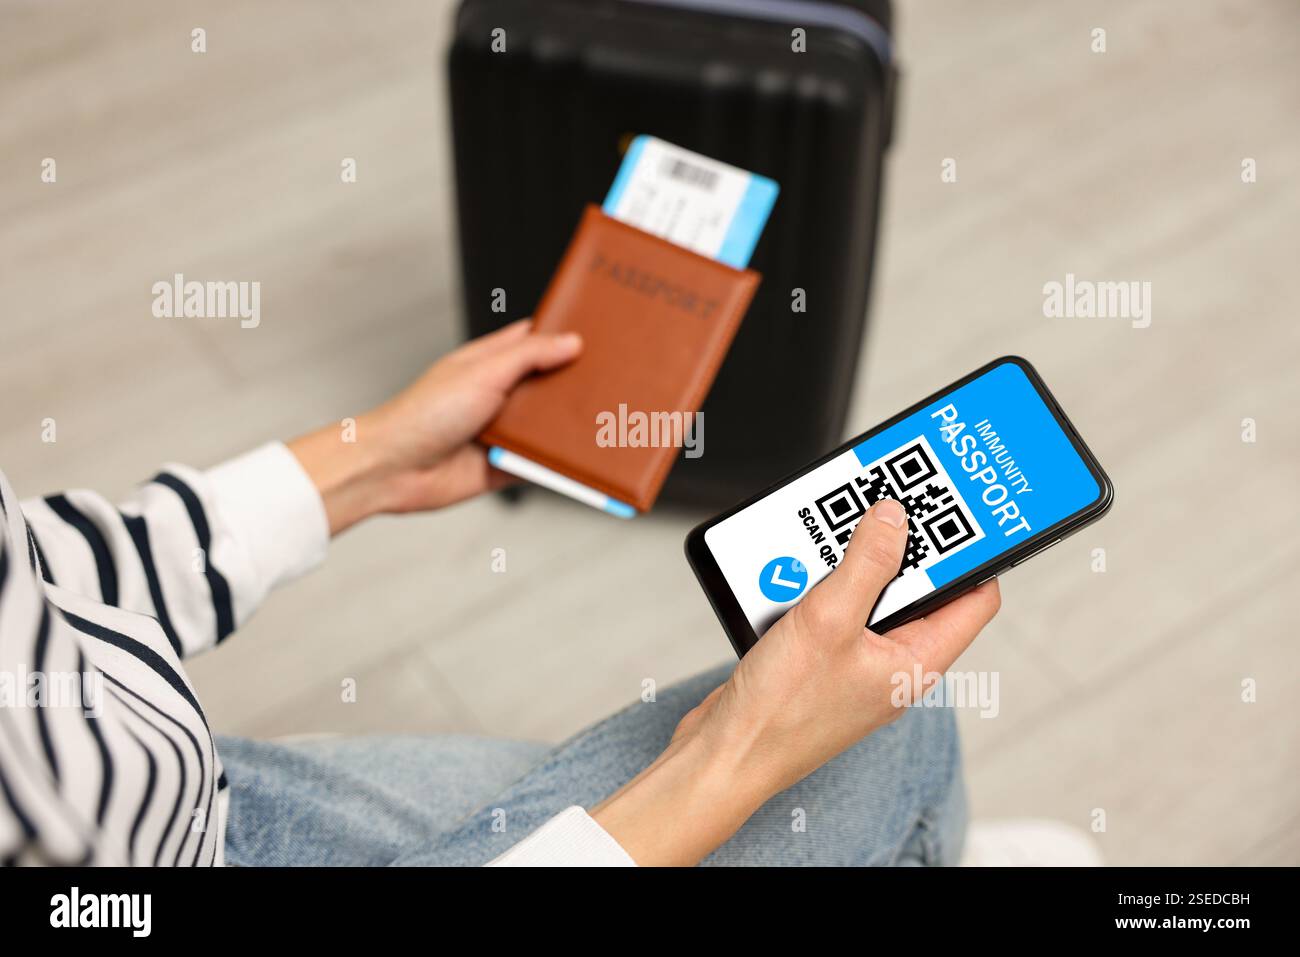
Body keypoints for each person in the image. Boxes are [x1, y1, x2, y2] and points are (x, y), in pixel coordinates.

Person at [0, 319, 1004, 866]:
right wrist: (729, 760)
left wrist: (370, 460)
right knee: (888, 740)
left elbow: (28, 591)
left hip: (185, 802)